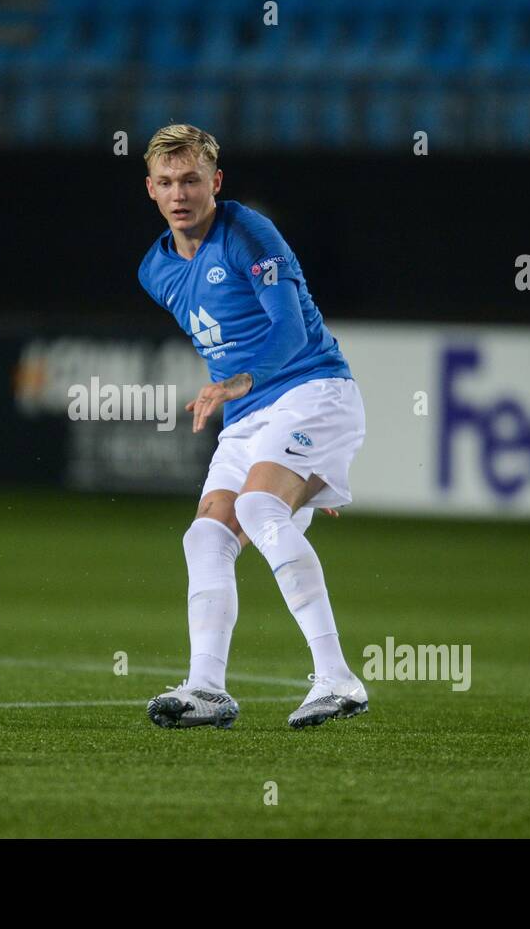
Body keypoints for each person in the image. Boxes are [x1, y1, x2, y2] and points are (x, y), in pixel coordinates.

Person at [136, 124, 368, 730]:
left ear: (215, 182)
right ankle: (207, 689)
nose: (179, 193)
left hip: (312, 387)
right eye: (166, 182)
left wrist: (241, 382)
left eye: (191, 180)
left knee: (263, 507)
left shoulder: (247, 233)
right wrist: (301, 476)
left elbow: (289, 329)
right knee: (206, 535)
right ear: (151, 191)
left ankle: (337, 678)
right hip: (251, 418)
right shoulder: (154, 271)